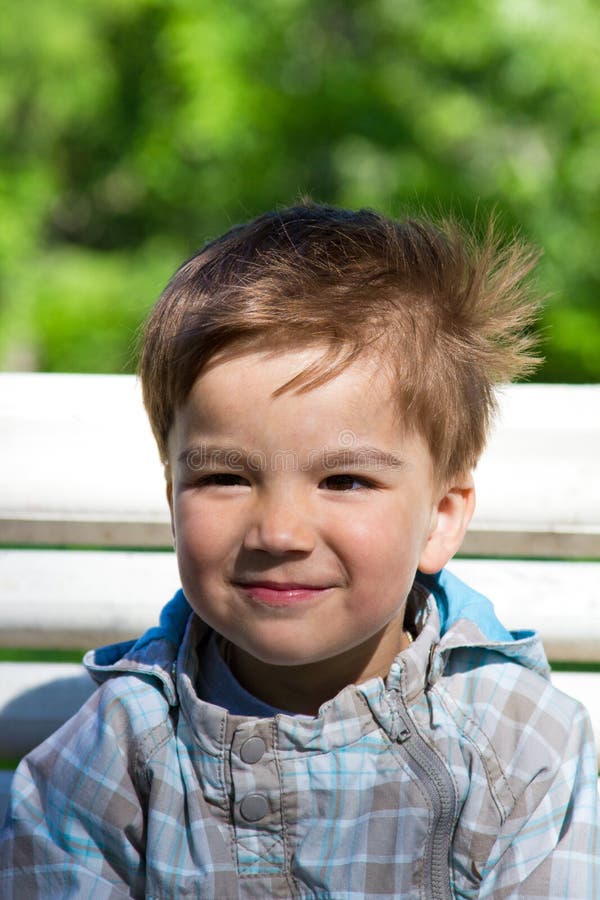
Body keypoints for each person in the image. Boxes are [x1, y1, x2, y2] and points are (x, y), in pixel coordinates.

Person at [1, 204, 598, 898]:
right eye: (225, 478)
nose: (279, 533)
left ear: (439, 518)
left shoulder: (519, 744)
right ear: (172, 499)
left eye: (344, 480)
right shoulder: (110, 761)